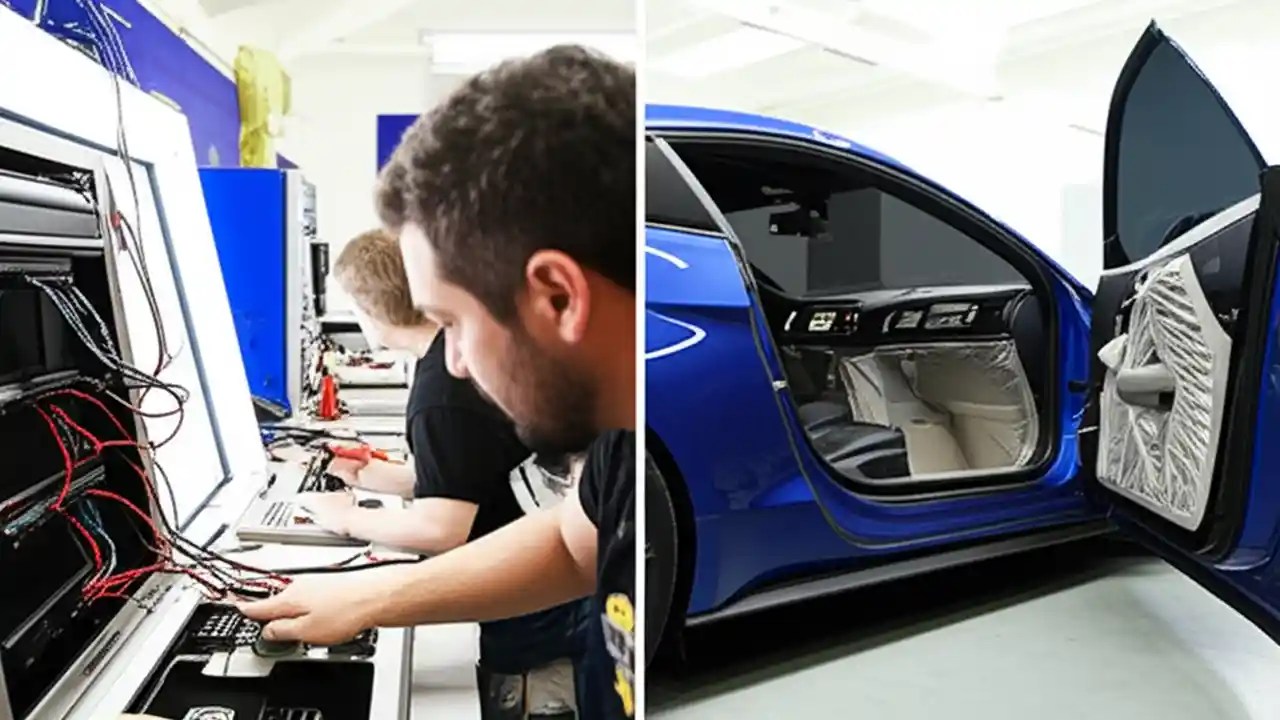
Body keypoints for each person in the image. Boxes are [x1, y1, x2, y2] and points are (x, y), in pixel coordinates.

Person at [239, 44, 636, 720]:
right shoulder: (618, 451)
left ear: (557, 299)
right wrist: (365, 599)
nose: (451, 365)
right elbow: (572, 540)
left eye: (452, 322)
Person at [307, 227, 592, 716]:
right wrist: (371, 474)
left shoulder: (441, 392)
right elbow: (464, 474)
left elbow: (443, 529)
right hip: (545, 592)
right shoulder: (442, 360)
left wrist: (346, 518)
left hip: (534, 619)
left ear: (370, 311)